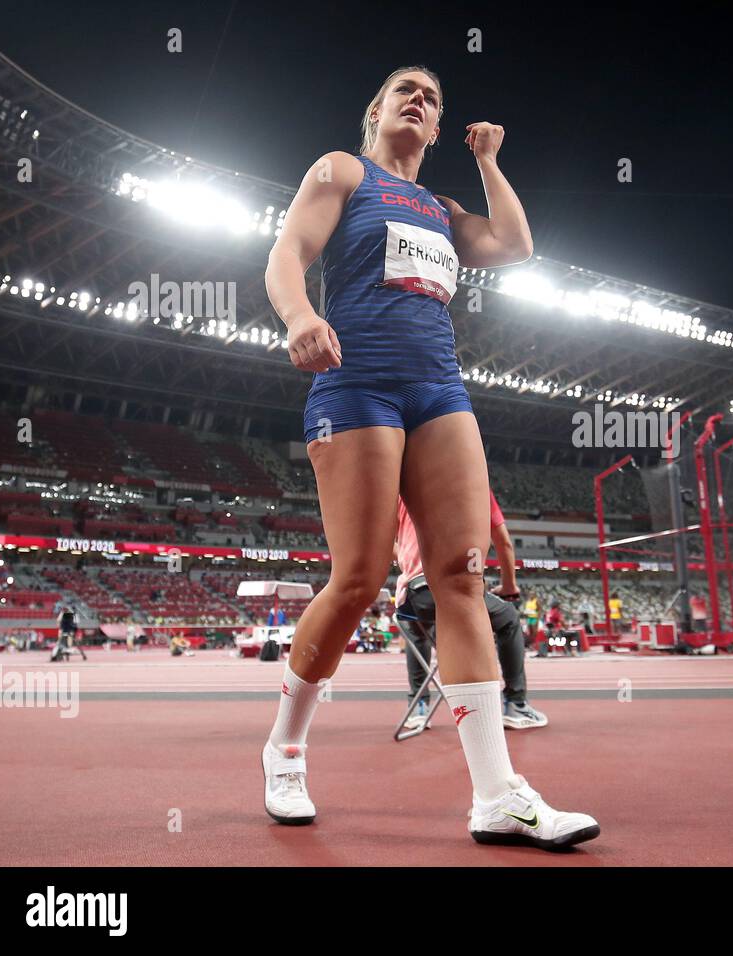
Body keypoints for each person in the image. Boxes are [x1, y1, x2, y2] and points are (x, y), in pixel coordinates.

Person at [260, 65, 596, 849]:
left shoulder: (442, 211)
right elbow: (286, 253)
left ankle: (497, 794)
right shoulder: (343, 171)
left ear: (441, 127)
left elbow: (514, 244)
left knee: (461, 575)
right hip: (356, 386)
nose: (420, 99)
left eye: (433, 97)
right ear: (376, 110)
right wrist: (300, 314)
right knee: (359, 578)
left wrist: (488, 160)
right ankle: (284, 749)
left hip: (439, 391)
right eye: (406, 89)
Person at [396, 489, 547, 732]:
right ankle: (516, 705)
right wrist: (509, 585)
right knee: (508, 617)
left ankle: (418, 707)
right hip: (455, 588)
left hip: (415, 596)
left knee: (418, 632)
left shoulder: (403, 492)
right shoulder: (473, 480)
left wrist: (407, 562)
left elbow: (384, 544)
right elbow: (504, 543)